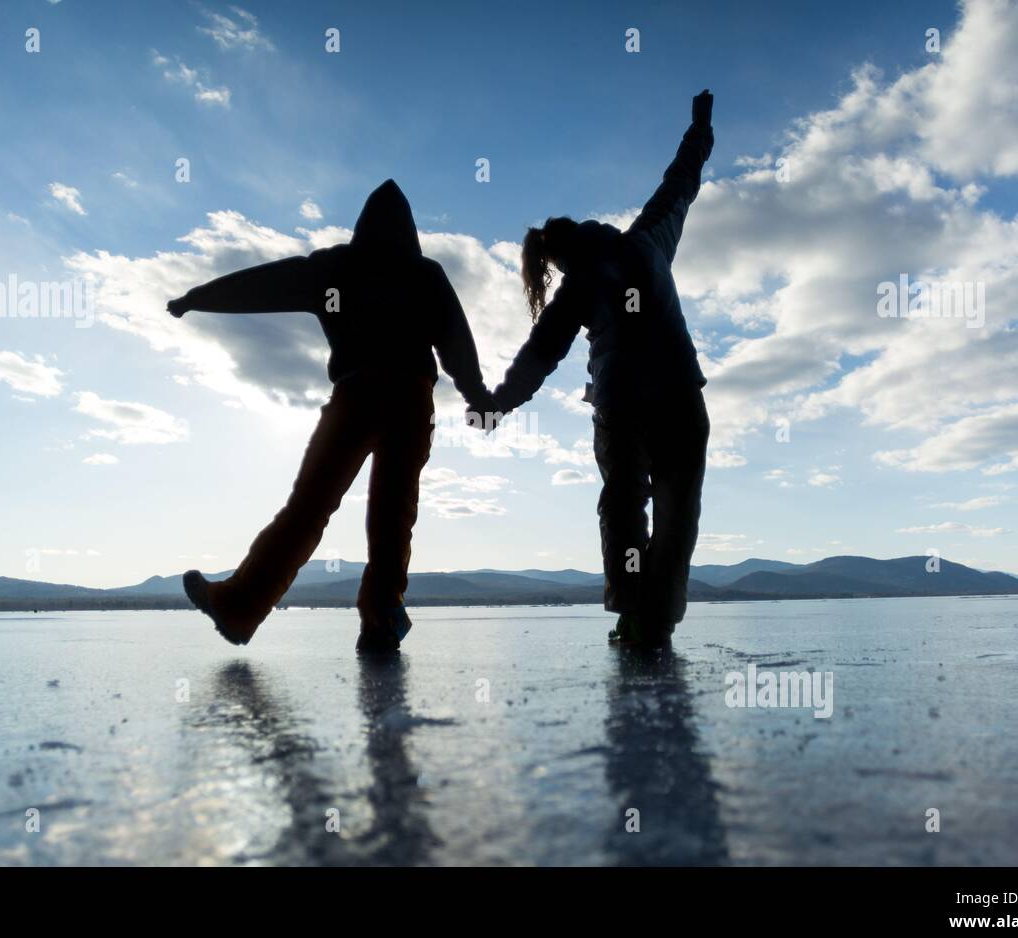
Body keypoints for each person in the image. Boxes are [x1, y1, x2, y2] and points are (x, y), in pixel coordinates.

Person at [168, 179, 496, 653]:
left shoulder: (337, 267)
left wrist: (197, 297)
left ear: (362, 225)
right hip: (406, 398)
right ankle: (379, 620)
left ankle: (242, 607)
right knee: (391, 517)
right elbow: (457, 349)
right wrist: (478, 397)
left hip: (358, 396)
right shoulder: (423, 274)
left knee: (310, 509)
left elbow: (261, 285)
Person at [486, 91, 715, 647]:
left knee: (623, 506)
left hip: (623, 405)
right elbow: (680, 183)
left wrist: (498, 404)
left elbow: (541, 355)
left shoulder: (577, 284)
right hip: (682, 394)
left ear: (558, 258)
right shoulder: (650, 238)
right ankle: (656, 617)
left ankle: (635, 610)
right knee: (678, 508)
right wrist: (700, 129)